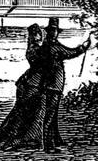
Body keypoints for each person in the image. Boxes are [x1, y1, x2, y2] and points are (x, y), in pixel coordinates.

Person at [0, 24, 47, 150]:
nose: (37, 36)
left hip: (35, 83)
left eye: (38, 34)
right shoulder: (35, 49)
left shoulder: (38, 48)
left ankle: (30, 138)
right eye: (35, 34)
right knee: (22, 113)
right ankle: (13, 139)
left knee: (33, 113)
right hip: (31, 84)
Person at [38, 17, 92, 153]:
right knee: (50, 115)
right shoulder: (53, 47)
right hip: (53, 85)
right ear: (50, 32)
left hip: (51, 84)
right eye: (52, 31)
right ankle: (48, 146)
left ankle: (54, 140)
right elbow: (70, 53)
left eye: (55, 31)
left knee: (52, 114)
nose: (54, 33)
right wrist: (83, 47)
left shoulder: (47, 45)